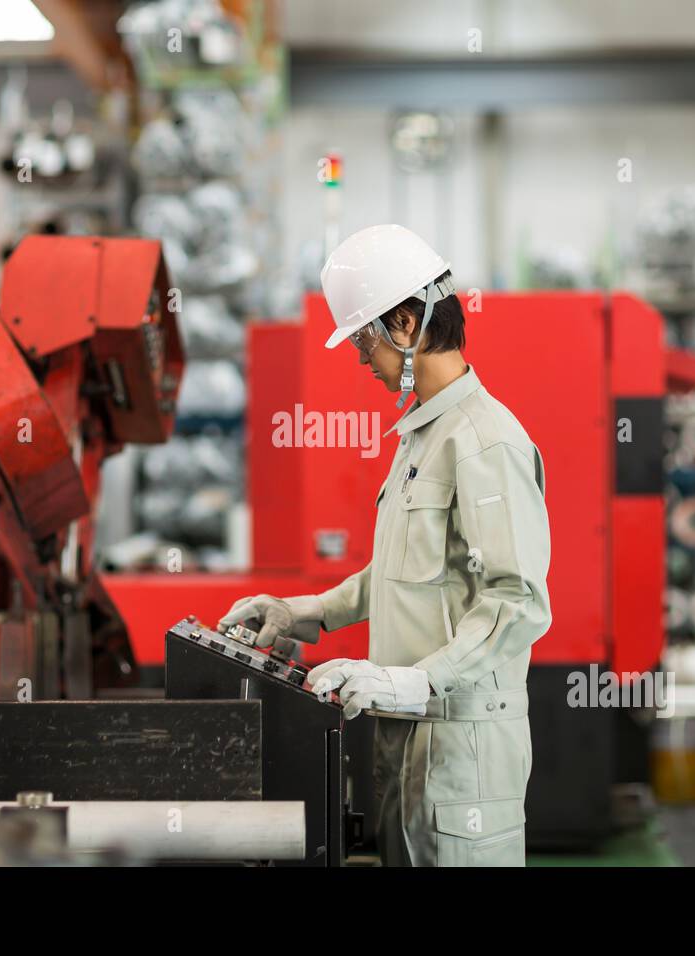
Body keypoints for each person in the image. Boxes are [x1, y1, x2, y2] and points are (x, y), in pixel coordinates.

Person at [220, 223, 552, 866]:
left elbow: (518, 601)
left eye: (364, 341)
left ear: (405, 324)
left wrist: (412, 683)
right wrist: (302, 611)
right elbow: (394, 576)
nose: (361, 360)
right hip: (408, 740)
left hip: (462, 753)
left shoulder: (485, 441)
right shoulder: (422, 438)